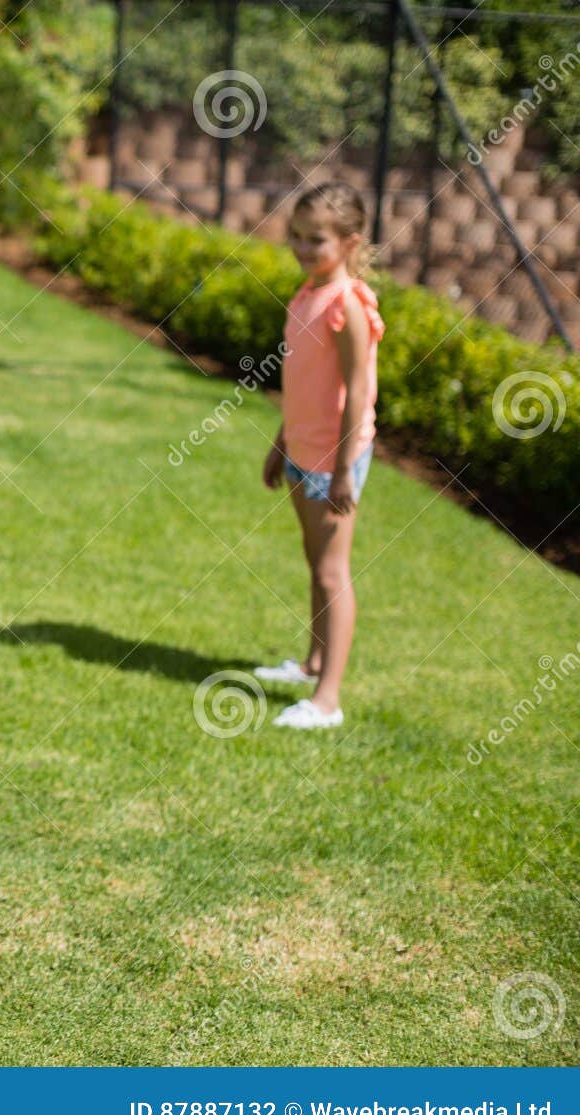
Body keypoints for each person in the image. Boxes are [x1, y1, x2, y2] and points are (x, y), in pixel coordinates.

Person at [256, 182, 384, 730]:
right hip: (301, 452)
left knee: (333, 574)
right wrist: (280, 444)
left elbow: (357, 390)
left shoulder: (348, 305)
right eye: (298, 238)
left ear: (350, 242)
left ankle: (328, 701)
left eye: (318, 241)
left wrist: (342, 470)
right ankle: (311, 666)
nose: (305, 249)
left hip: (335, 463)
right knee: (316, 565)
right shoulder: (306, 295)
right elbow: (304, 383)